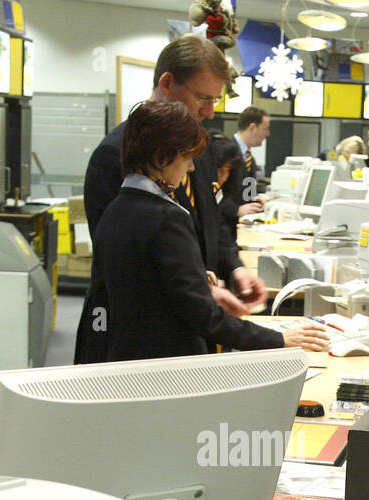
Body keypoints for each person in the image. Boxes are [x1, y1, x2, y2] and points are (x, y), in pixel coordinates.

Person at [75, 35, 267, 364]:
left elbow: (213, 221)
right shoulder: (114, 154)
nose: (208, 112)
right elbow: (126, 263)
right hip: (136, 339)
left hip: (193, 323)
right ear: (166, 83)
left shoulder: (197, 145)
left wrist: (234, 268)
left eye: (214, 101)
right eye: (202, 98)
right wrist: (202, 292)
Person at [93, 102, 329, 362]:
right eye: (186, 157)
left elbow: (142, 283)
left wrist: (195, 280)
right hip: (169, 369)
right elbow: (204, 319)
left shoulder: (116, 209)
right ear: (163, 156)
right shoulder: (168, 218)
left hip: (128, 360)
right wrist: (281, 339)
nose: (191, 168)